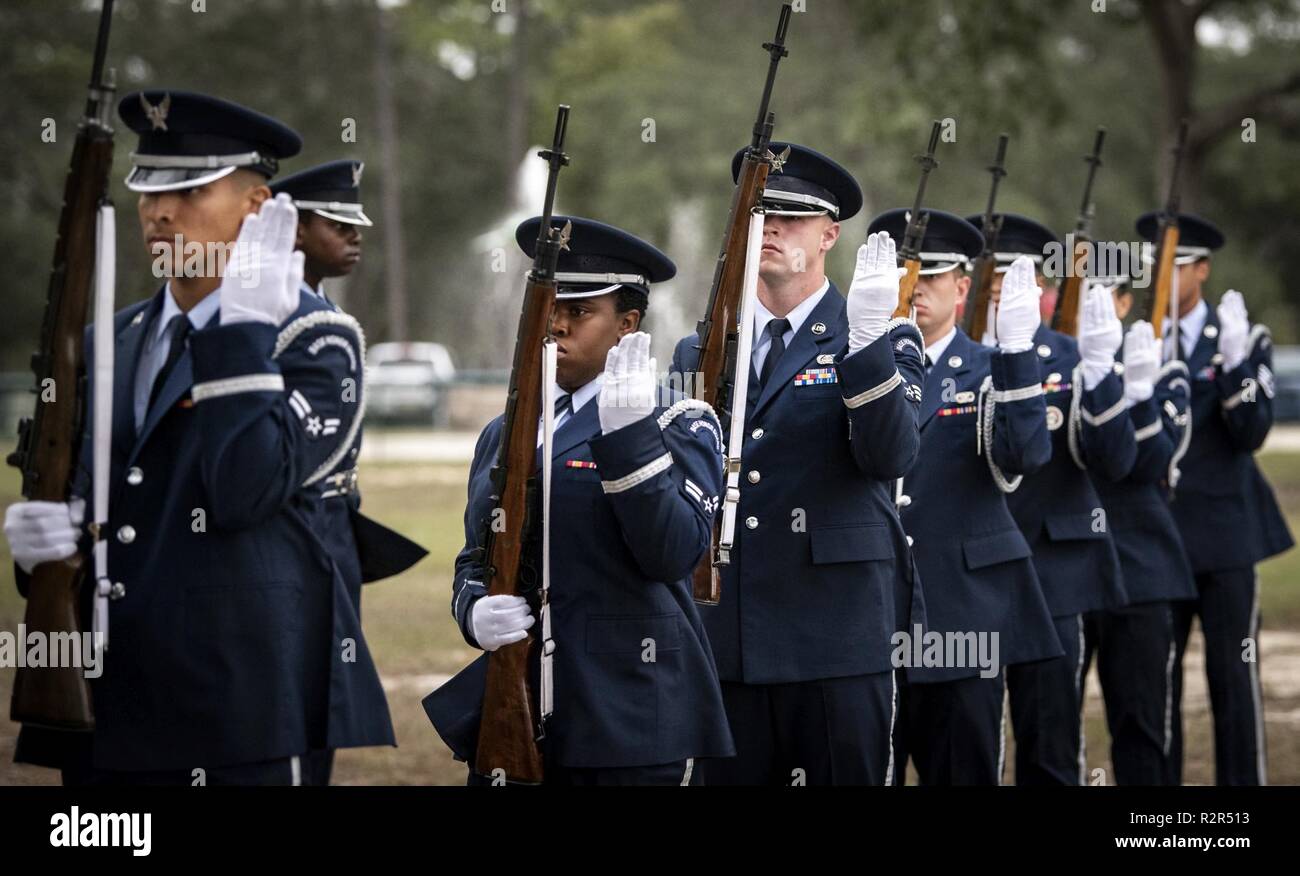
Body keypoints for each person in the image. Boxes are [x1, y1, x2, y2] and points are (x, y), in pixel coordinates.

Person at [3, 90, 394, 784]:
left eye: (190, 189)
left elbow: (244, 490)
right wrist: (44, 545)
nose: (160, 212)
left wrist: (241, 334)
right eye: (148, 189)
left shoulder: (312, 338)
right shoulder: (110, 339)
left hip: (238, 713)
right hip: (113, 704)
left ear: (256, 205)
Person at [429, 216, 734, 785]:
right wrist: (472, 609)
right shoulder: (510, 430)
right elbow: (477, 554)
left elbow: (671, 554)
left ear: (627, 325)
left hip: (628, 714)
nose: (557, 327)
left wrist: (628, 437)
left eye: (579, 312)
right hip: (514, 702)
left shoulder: (679, 421)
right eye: (550, 309)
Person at [671, 144, 926, 785]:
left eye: (794, 216)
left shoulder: (883, 336)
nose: (774, 227)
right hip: (727, 636)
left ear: (829, 234)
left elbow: (891, 455)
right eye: (762, 213)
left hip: (835, 633)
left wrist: (865, 347)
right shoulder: (702, 349)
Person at [870, 207, 1059, 785]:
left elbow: (1025, 455)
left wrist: (1018, 353)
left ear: (962, 285)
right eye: (907, 274)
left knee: (964, 771)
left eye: (932, 277)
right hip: (872, 612)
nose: (917, 288)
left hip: (963, 612)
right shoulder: (861, 370)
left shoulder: (990, 369)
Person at [970, 215, 1136, 785]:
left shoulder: (1071, 356)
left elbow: (1115, 461)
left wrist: (1104, 371)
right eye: (989, 282)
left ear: (1037, 287)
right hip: (971, 579)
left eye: (1011, 282)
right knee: (974, 746)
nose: (999, 295)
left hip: (1052, 575)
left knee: (1050, 743)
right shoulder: (958, 358)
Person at [1137, 212, 1294, 784]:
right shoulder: (1139, 338)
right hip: (1163, 534)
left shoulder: (1242, 337)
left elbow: (1252, 432)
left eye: (1175, 265)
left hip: (1227, 535)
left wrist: (1233, 366)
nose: (1162, 276)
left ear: (1201, 269)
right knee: (1160, 683)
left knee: (1235, 675)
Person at [1082, 272, 1197, 784]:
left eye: (1105, 295)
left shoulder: (1162, 370)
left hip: (1139, 567)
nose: (1094, 305)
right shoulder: (1057, 364)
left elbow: (1152, 462)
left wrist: (1138, 393)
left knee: (1143, 726)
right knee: (1053, 726)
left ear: (1126, 303)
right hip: (1069, 567)